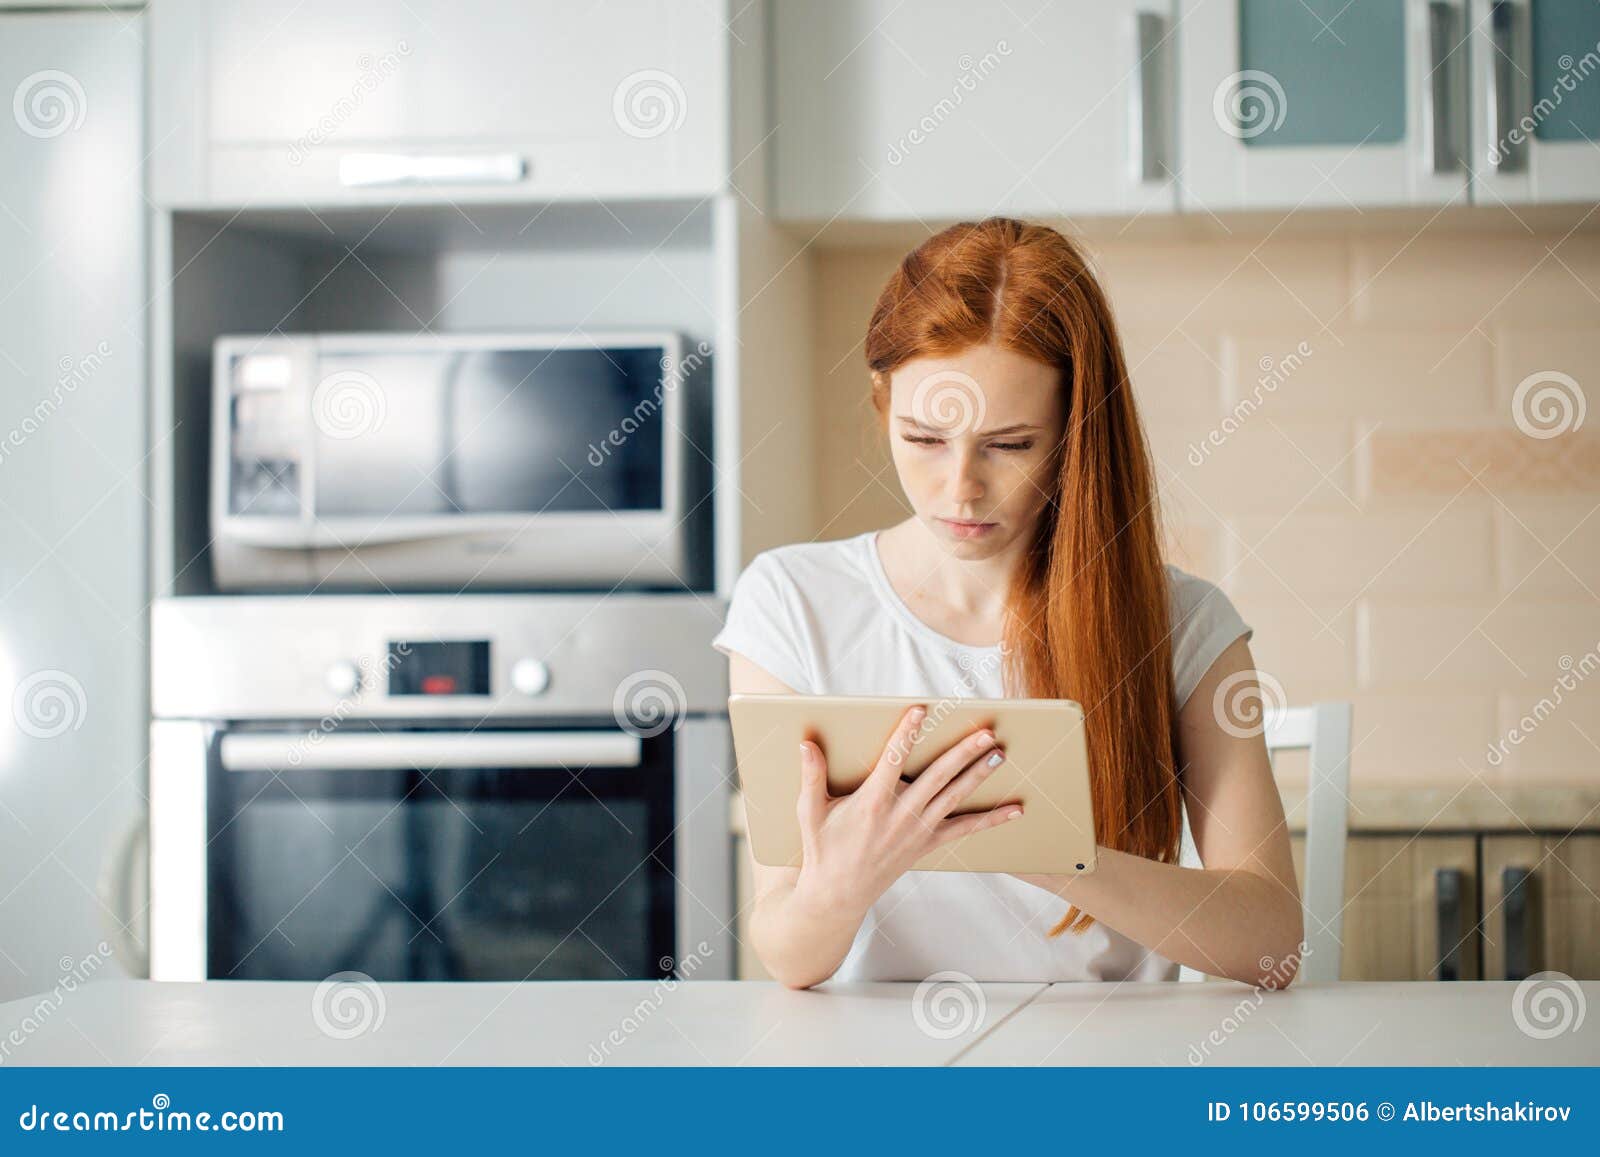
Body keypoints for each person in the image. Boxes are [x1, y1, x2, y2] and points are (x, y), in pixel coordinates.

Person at [712, 217, 1302, 990]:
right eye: (924, 438)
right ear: (881, 403)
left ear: (1075, 433)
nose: (961, 488)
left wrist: (1056, 854)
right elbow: (786, 951)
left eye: (1011, 444)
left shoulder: (1183, 622)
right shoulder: (791, 603)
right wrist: (846, 878)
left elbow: (1272, 944)